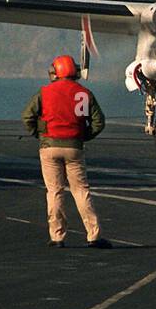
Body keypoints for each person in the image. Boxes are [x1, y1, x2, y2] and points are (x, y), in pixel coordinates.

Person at [22, 55, 109, 248]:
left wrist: (40, 135)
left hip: (49, 147)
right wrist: (84, 136)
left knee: (54, 191)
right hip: (74, 147)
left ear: (56, 72)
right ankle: (93, 235)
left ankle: (57, 237)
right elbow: (98, 122)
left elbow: (27, 116)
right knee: (81, 190)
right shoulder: (84, 93)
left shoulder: (44, 92)